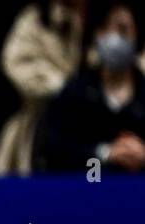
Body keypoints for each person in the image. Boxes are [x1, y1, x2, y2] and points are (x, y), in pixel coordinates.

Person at [37, 0, 145, 172]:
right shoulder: (74, 92)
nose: (113, 38)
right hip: (87, 193)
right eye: (105, 29)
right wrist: (104, 153)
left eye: (123, 30)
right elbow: (53, 152)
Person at [0, 0, 86, 176]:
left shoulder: (113, 16)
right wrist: (67, 89)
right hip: (40, 127)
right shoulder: (35, 19)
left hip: (101, 131)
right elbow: (16, 63)